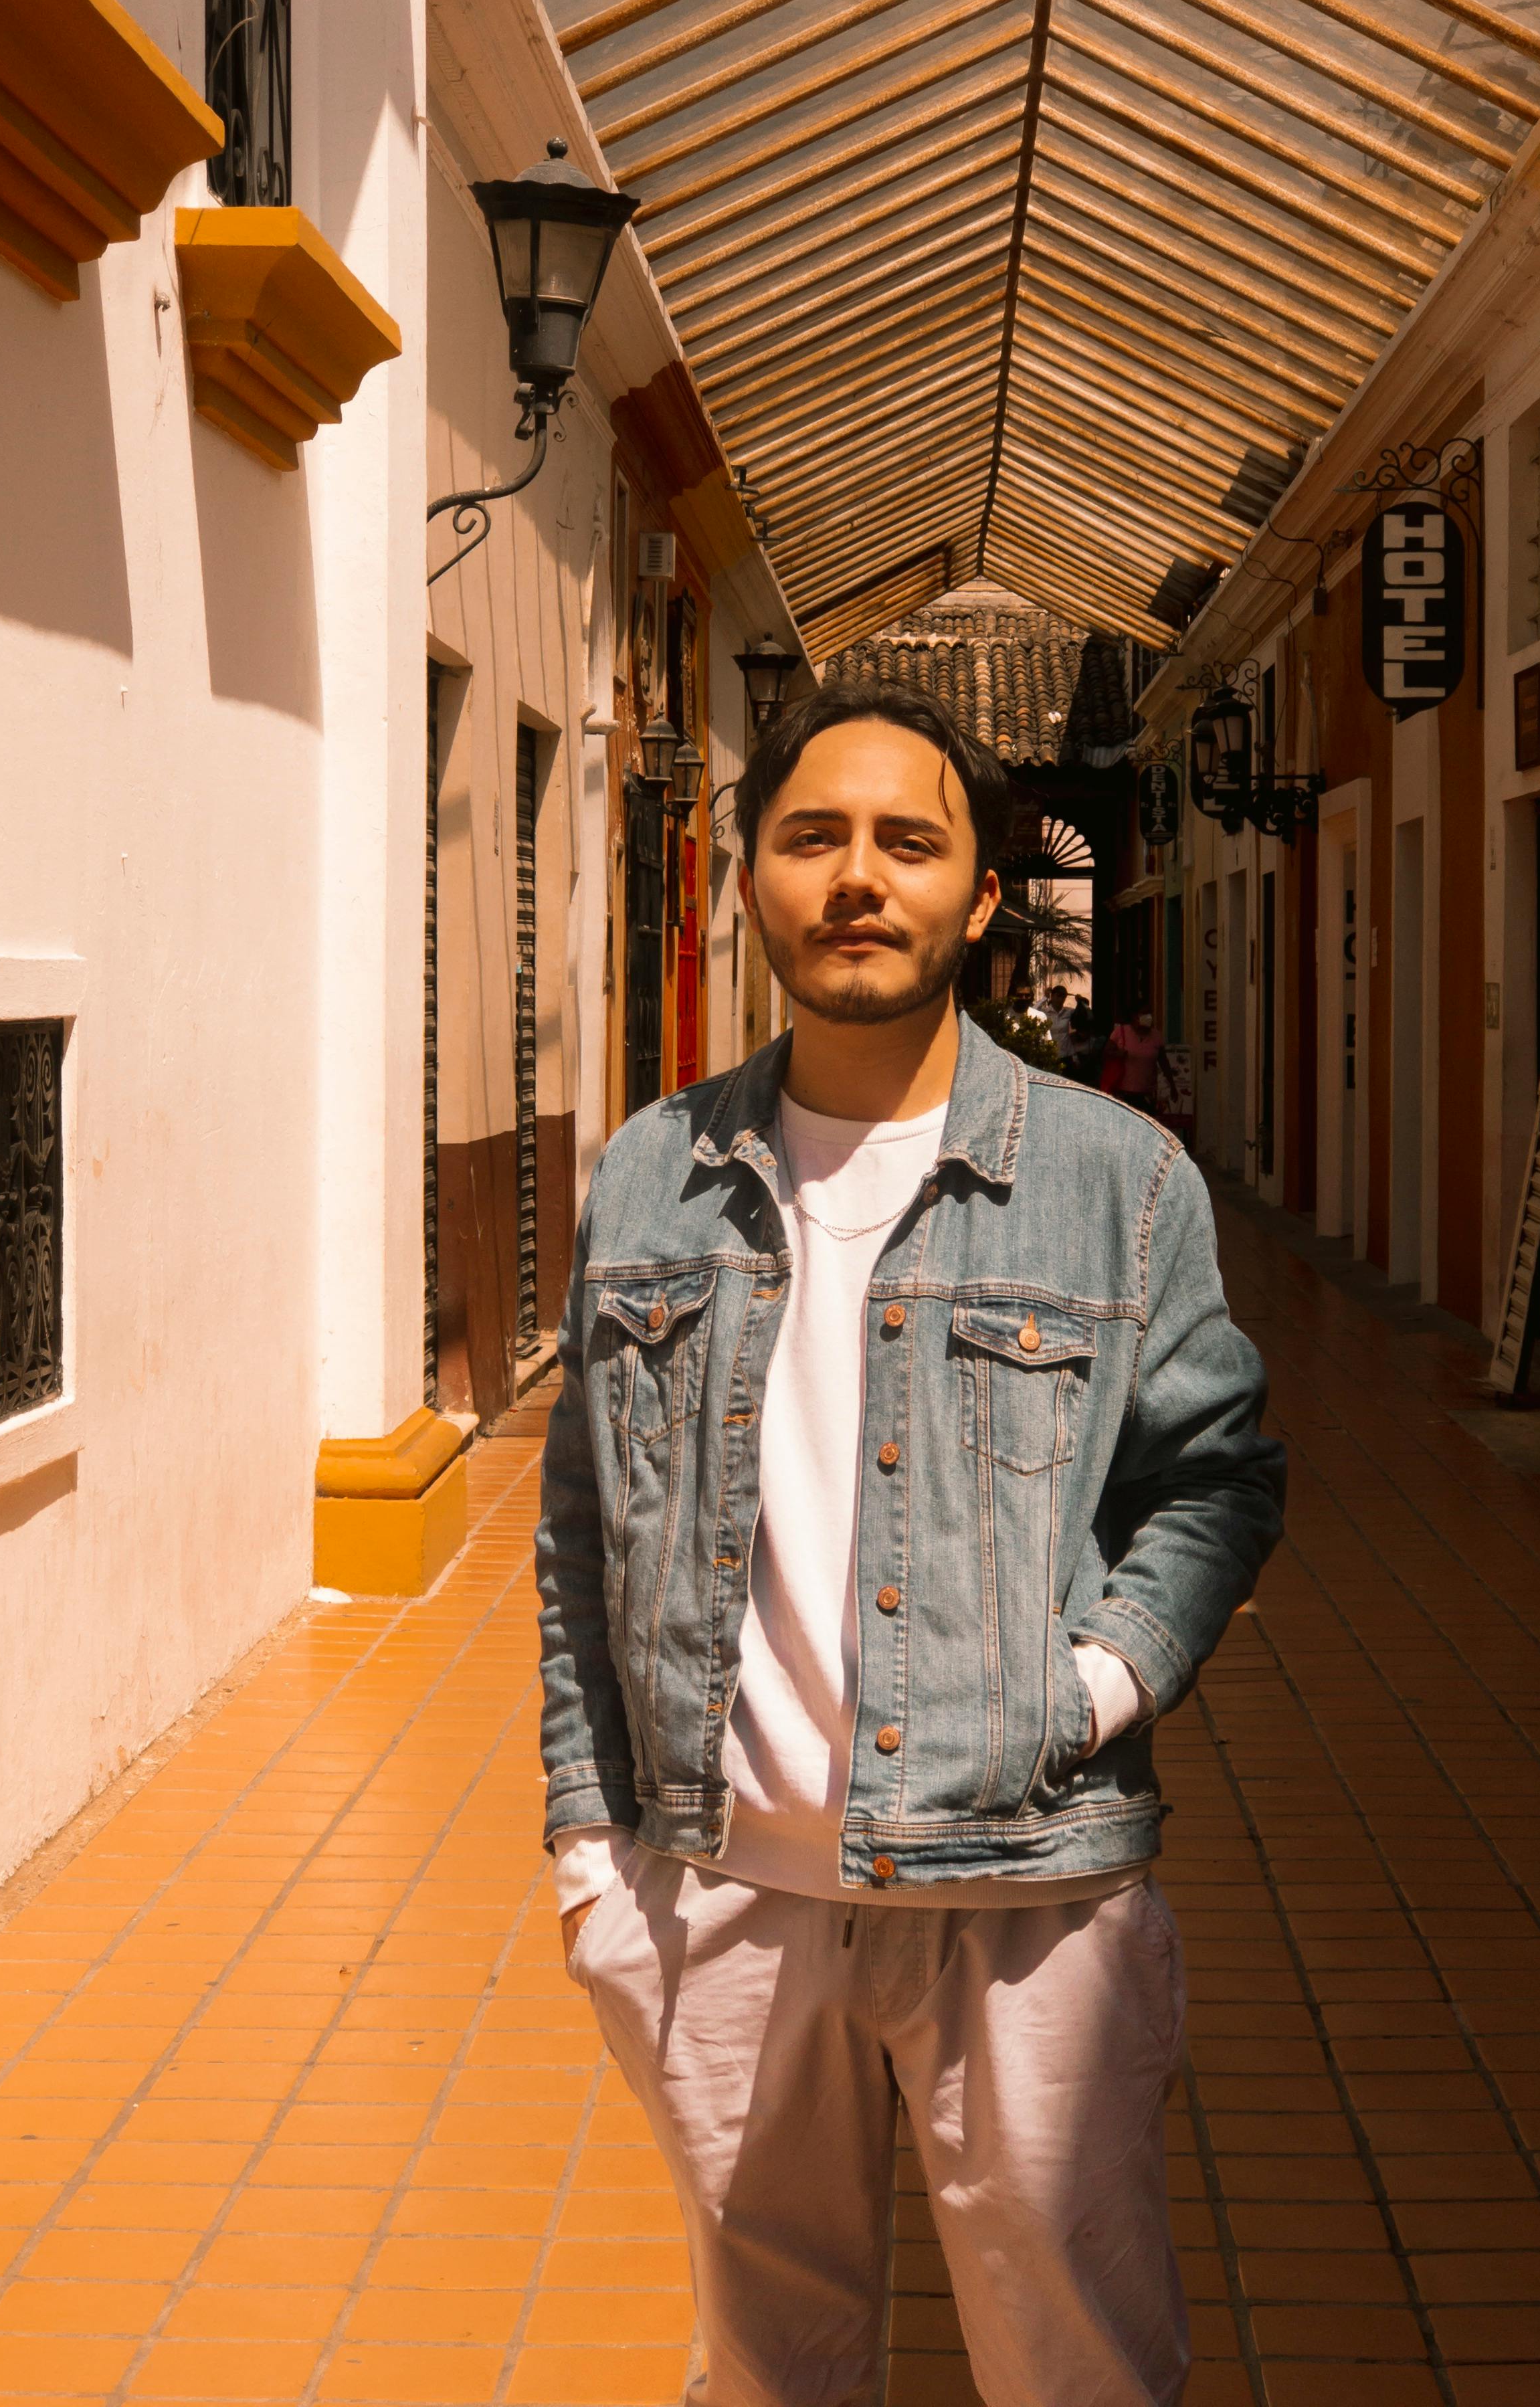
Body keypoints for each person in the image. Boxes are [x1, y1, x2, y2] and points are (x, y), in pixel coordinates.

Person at [536, 679, 1284, 2407]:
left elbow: (1218, 1474)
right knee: (770, 2360)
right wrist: (593, 1838)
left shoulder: (1118, 1179)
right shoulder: (653, 1172)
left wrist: (1085, 1690)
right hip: (714, 1895)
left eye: (907, 841)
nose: (857, 878)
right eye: (812, 837)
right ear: (748, 882)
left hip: (1025, 1890)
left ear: (978, 898)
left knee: (1073, 2363)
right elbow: (581, 1514)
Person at [1105, 1003, 1173, 1115]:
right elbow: (1106, 1053)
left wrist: (1172, 1085)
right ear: (1135, 1016)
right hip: (1123, 1092)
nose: (1149, 1016)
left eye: (1150, 1013)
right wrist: (1118, 1054)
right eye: (1145, 1013)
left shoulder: (1156, 1036)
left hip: (1147, 1093)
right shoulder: (1121, 1032)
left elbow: (1163, 1062)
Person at [1044, 979, 1075, 1061]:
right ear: (1052, 996)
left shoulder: (1069, 1012)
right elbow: (1032, 1010)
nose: (1061, 1000)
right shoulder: (1044, 1013)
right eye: (1058, 996)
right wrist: (1045, 998)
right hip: (1050, 1055)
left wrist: (1081, 1002)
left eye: (1063, 997)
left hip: (1066, 1055)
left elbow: (1087, 1016)